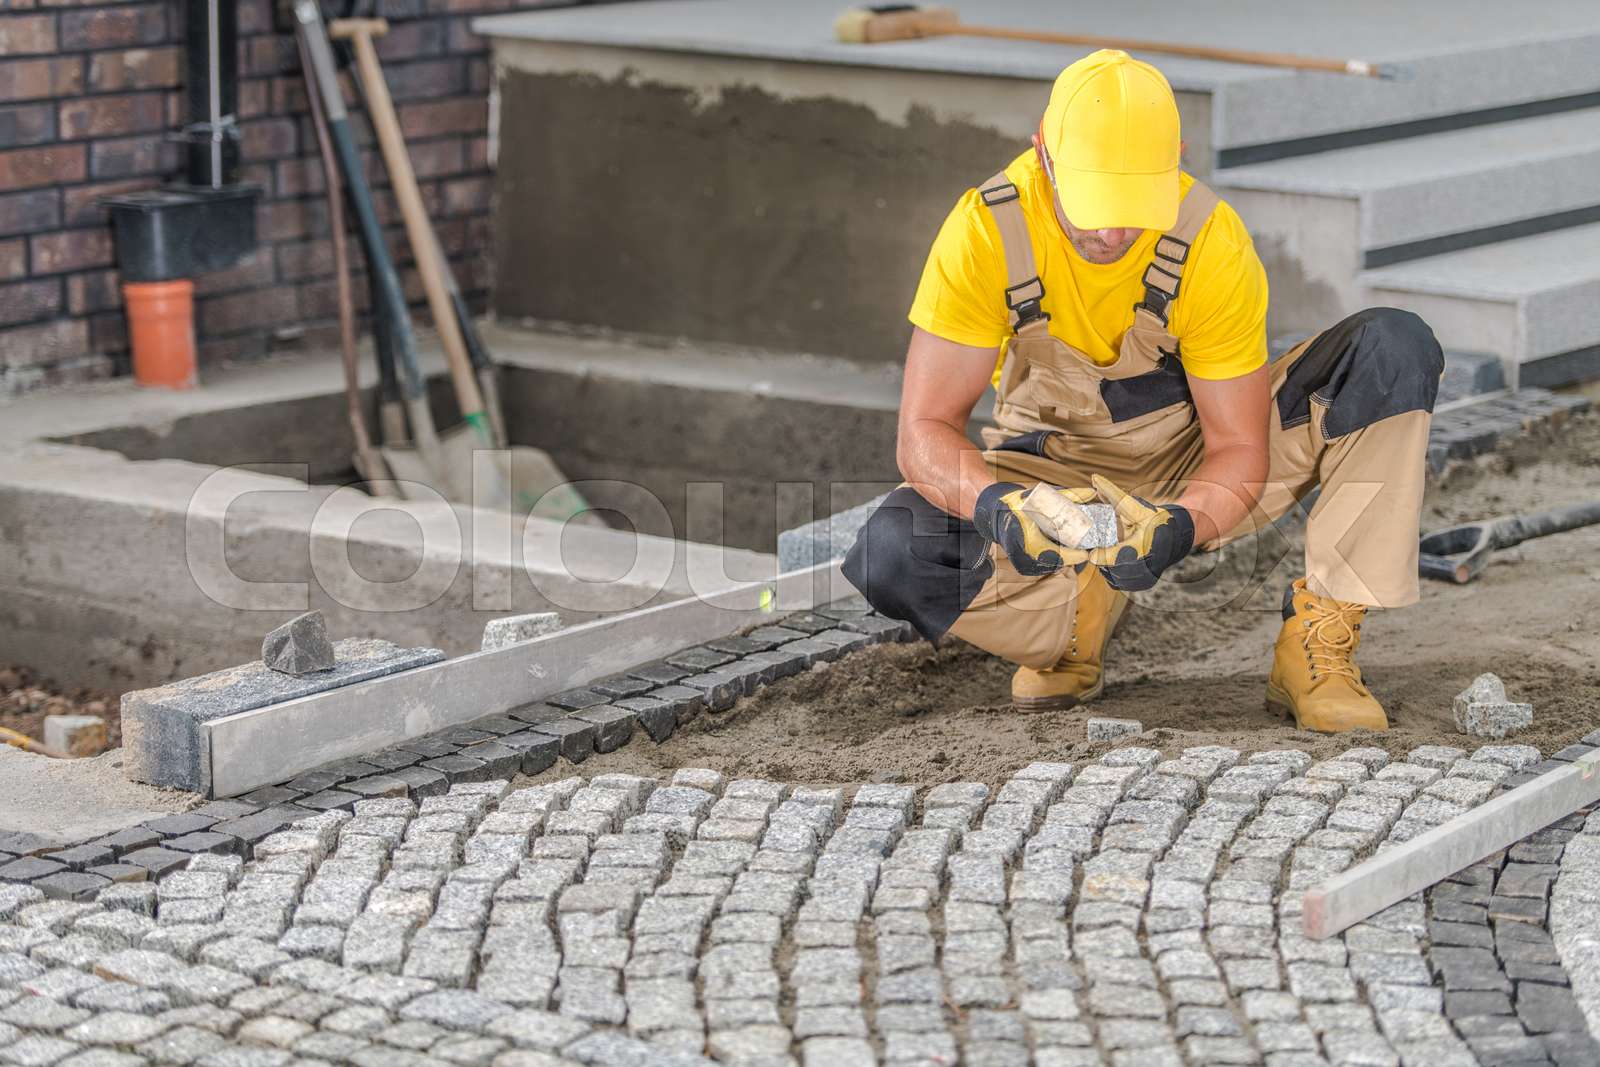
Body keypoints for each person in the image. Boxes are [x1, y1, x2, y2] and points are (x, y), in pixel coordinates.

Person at [843, 49, 1443, 733]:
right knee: (893, 551)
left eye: (1133, 208)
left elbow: (1239, 446)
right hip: (1050, 475)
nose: (1112, 233)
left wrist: (1179, 523)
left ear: (1174, 162)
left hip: (1191, 466)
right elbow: (923, 430)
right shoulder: (986, 231)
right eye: (1095, 206)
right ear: (1043, 155)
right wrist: (1001, 510)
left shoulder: (1210, 240)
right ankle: (1073, 623)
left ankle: (1317, 648)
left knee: (1391, 348)